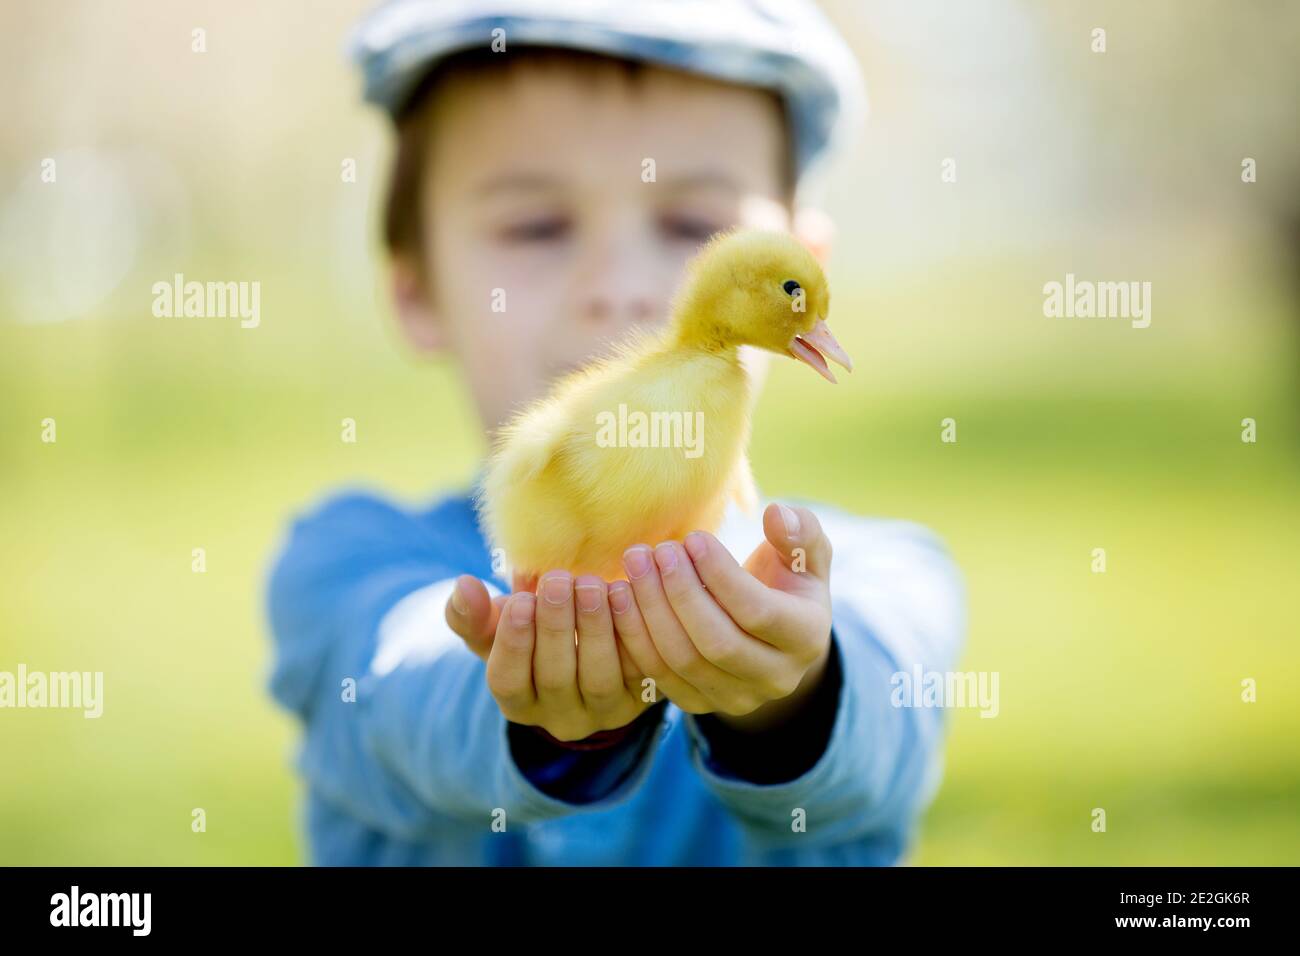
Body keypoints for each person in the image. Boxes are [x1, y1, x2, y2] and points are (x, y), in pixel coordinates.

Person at [266, 0, 965, 865]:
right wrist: (541, 710)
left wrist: (790, 694)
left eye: (692, 228)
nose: (621, 286)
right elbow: (395, 692)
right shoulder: (344, 563)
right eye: (536, 226)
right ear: (417, 292)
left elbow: (886, 727)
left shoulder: (881, 576)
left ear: (805, 278)